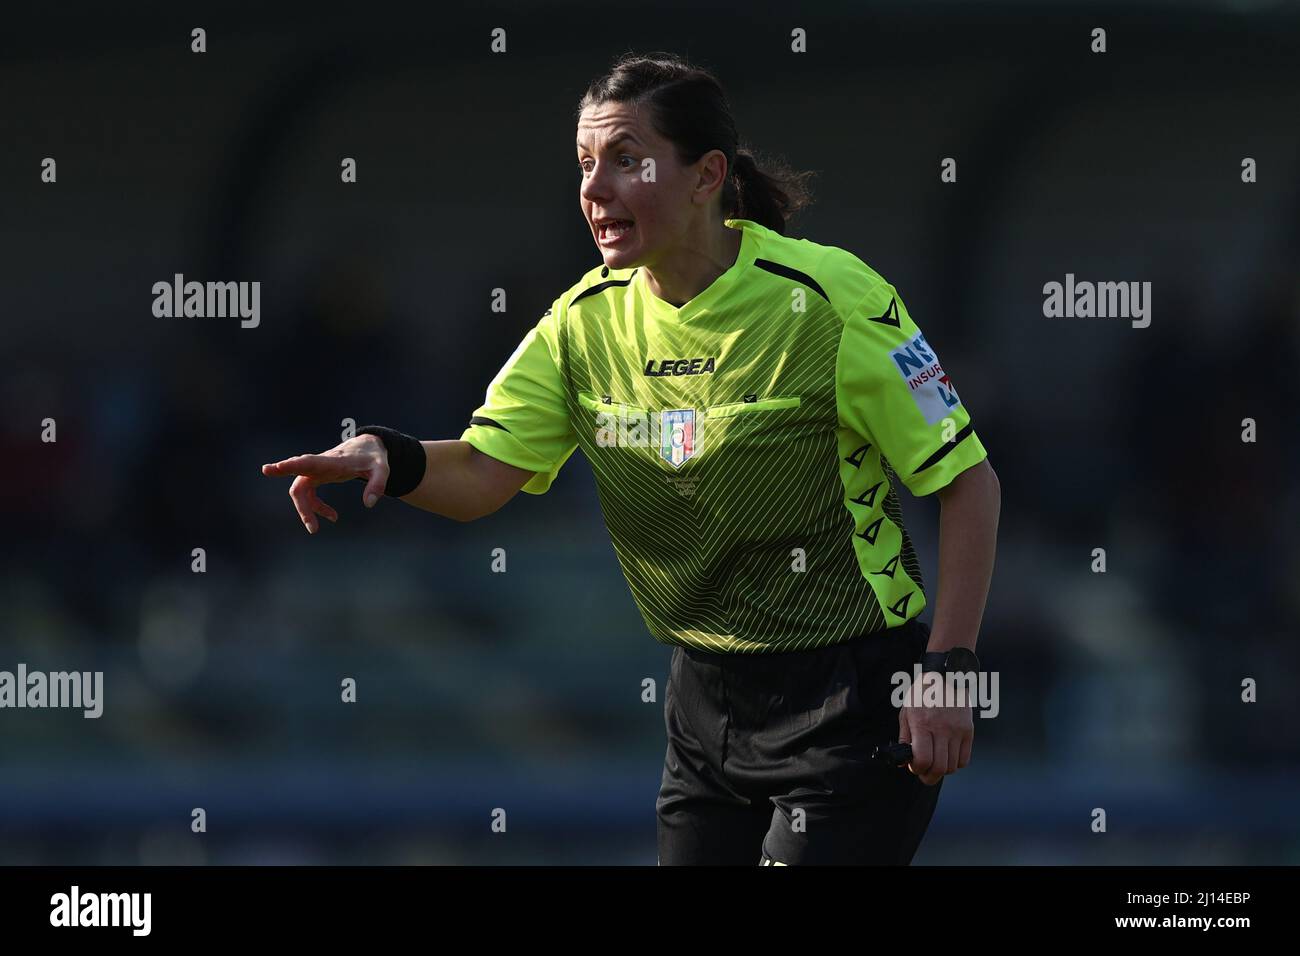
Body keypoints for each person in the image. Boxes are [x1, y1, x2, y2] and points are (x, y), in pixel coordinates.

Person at [262, 51, 1000, 865]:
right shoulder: (583, 323)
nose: (594, 188)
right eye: (584, 164)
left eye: (624, 159)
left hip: (851, 701)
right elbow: (480, 474)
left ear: (706, 175)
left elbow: (967, 482)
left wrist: (949, 676)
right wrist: (390, 457)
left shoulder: (831, 299)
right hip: (701, 705)